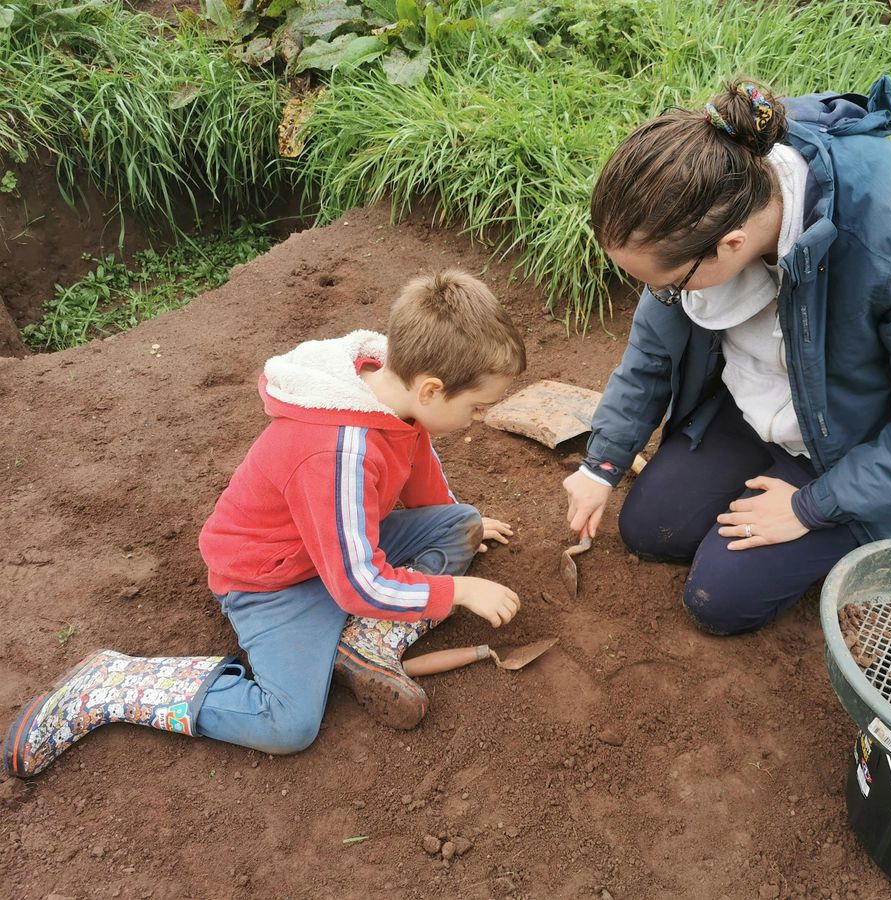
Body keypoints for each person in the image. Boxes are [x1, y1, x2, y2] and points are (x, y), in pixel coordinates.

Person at [5, 270, 526, 778]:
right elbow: (355, 583)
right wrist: (456, 587)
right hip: (273, 582)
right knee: (288, 723)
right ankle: (113, 684)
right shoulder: (339, 453)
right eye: (477, 408)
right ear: (431, 390)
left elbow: (418, 471)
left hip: (329, 552)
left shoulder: (395, 397)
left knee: (461, 523)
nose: (478, 419)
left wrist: (461, 522)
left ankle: (363, 644)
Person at [564, 76, 891, 636]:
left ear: (730, 245)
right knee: (650, 528)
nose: (663, 295)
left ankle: (852, 515)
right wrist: (602, 462)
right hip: (772, 399)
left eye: (668, 286)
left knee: (721, 601)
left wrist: (811, 506)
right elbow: (654, 350)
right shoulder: (700, 205)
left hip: (874, 433)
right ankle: (771, 470)